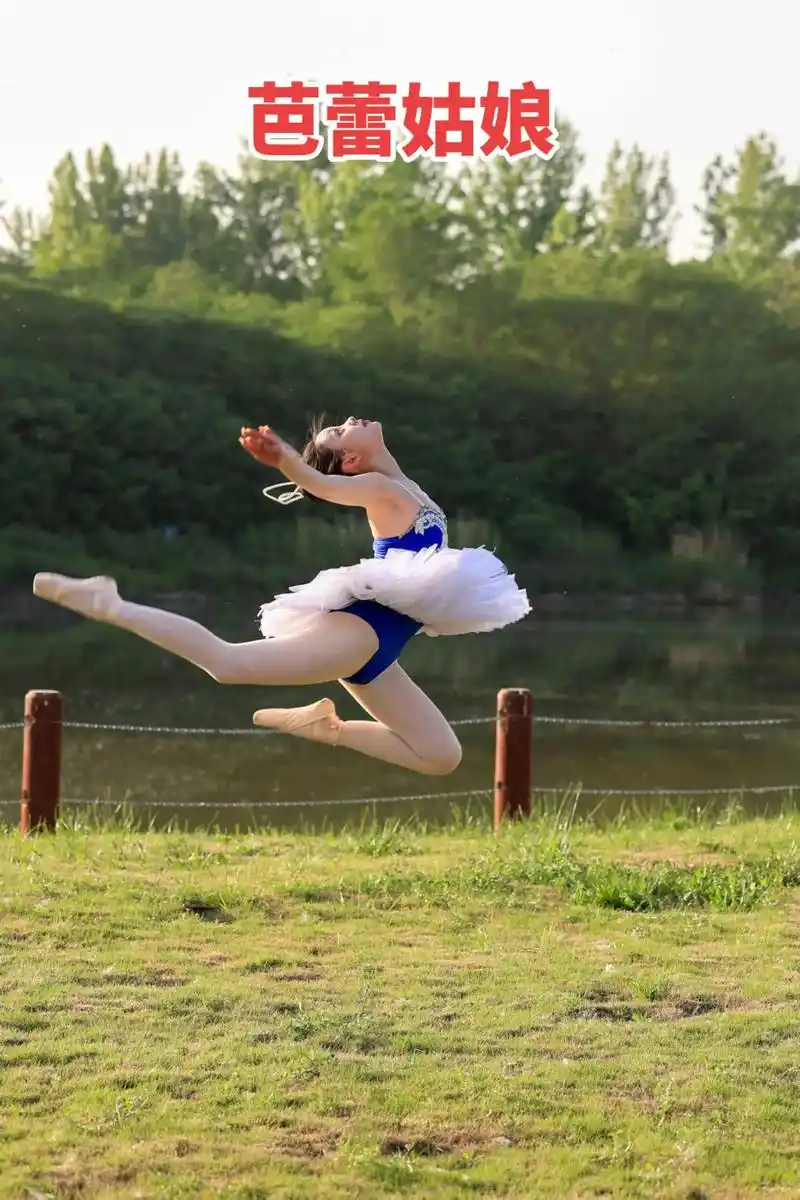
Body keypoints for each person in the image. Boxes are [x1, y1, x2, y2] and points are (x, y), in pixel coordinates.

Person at [33, 416, 529, 776]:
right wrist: (287, 460)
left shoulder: (402, 483)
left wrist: (301, 461)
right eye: (338, 430)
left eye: (336, 426)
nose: (347, 420)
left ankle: (322, 726)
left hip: (380, 646)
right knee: (226, 664)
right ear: (351, 461)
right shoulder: (377, 488)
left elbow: (325, 479)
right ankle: (110, 604)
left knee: (441, 757)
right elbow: (318, 483)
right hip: (361, 633)